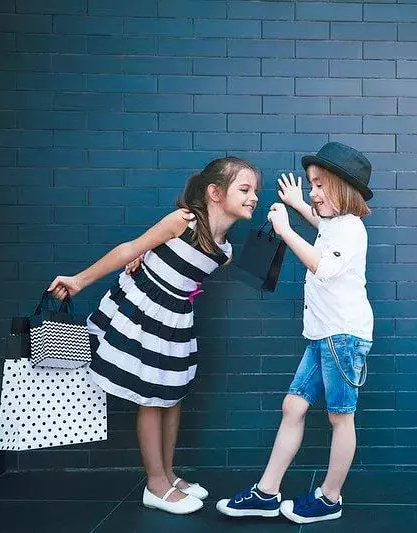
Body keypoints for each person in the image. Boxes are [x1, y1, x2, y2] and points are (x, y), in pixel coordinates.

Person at [48, 157, 259, 515]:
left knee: (171, 396)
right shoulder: (183, 221)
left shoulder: (223, 253)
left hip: (175, 321)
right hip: (143, 312)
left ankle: (169, 474)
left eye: (255, 191)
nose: (253, 197)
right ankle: (155, 485)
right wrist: (79, 280)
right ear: (215, 193)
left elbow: (176, 267)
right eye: (245, 189)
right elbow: (131, 248)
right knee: (149, 397)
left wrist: (153, 259)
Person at [216, 142, 374, 524]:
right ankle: (267, 493)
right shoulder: (337, 224)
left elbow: (324, 265)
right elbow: (322, 226)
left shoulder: (352, 228)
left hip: (344, 337)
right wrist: (298, 204)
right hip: (323, 335)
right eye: (311, 185)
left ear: (342, 188)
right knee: (293, 406)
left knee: (341, 418)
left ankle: (330, 498)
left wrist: (286, 230)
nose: (314, 193)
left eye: (320, 186)